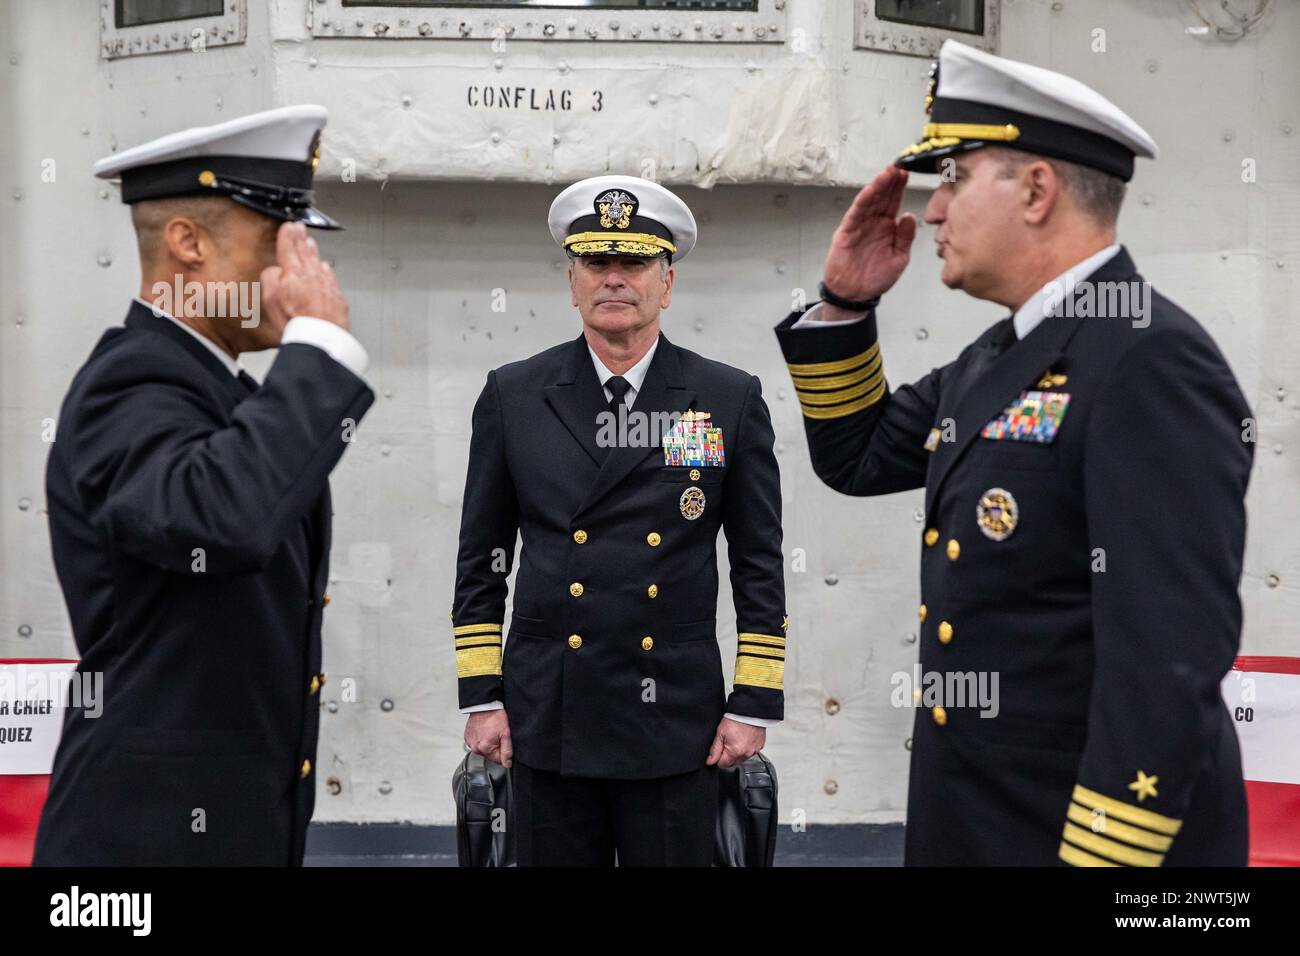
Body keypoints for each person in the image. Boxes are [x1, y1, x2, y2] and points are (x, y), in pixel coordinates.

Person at [773, 41, 1253, 866]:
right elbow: (861, 455)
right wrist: (845, 303)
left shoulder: (1149, 360)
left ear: (1035, 191)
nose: (933, 211)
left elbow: (1164, 664)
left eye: (954, 178)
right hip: (977, 818)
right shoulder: (1007, 352)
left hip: (1075, 837)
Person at [34, 105, 373, 866]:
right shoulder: (129, 382)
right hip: (140, 848)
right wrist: (319, 350)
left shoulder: (223, 395)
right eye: (279, 241)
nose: (302, 270)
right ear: (187, 243)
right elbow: (222, 517)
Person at [454, 175, 787, 866]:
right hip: (550, 712)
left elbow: (758, 562)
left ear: (667, 283)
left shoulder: (725, 397)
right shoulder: (515, 395)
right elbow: (482, 559)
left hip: (675, 717)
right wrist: (482, 696)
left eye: (634, 263)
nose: (614, 278)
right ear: (572, 282)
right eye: (596, 262)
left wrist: (753, 700)